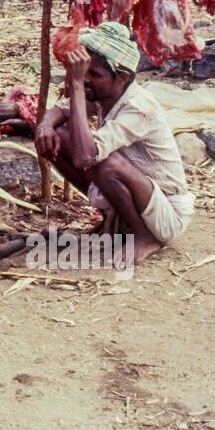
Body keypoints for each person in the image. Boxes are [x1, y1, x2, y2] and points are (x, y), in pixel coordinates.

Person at [32, 22, 194, 264]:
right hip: (141, 200)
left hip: (167, 214)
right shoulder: (103, 93)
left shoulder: (138, 107)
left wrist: (75, 84)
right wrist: (44, 127)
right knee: (58, 137)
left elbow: (86, 157)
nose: (86, 80)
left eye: (94, 74)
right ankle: (115, 218)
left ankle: (145, 237)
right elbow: (60, 111)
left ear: (123, 77)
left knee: (107, 164)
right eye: (84, 72)